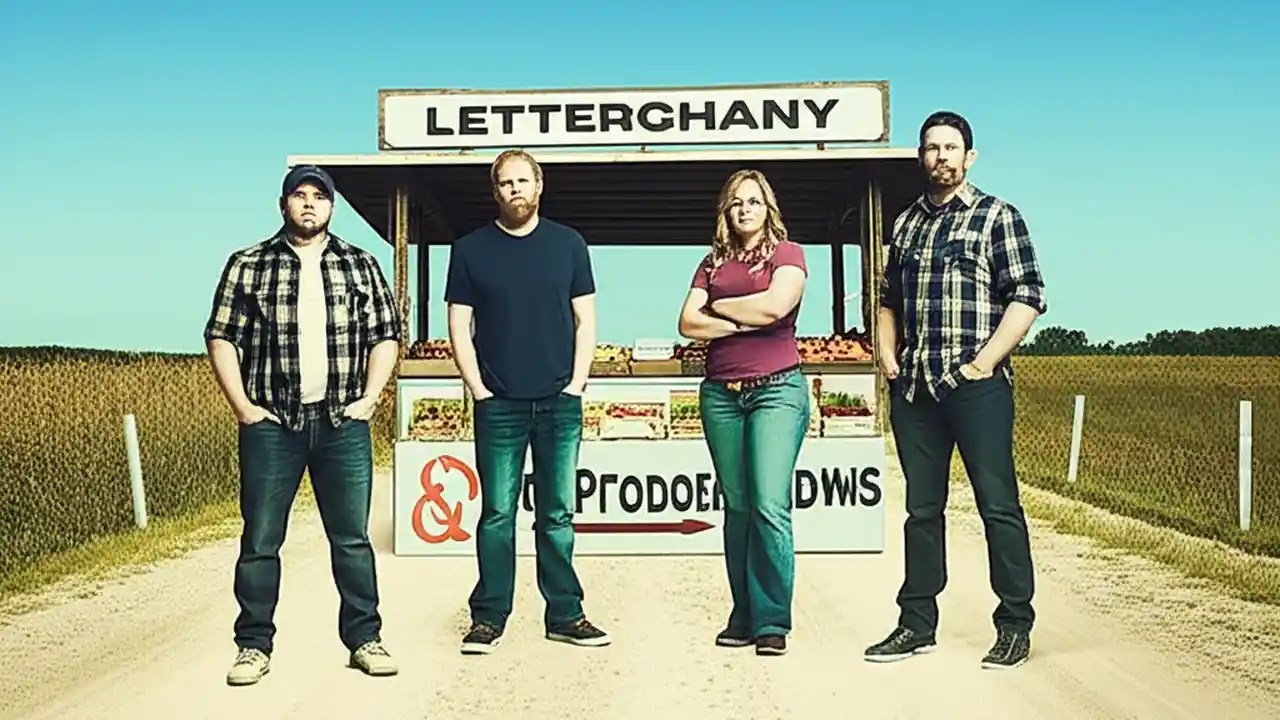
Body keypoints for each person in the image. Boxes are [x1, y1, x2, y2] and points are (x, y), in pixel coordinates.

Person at [204, 165, 402, 686]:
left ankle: (365, 639)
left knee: (352, 540)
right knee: (261, 540)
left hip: (342, 423)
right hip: (272, 424)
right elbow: (221, 336)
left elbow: (386, 335)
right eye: (300, 195)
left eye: (320, 196)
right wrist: (243, 407)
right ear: (283, 204)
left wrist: (371, 397)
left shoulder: (360, 264)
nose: (309, 204)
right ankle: (252, 645)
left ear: (332, 206)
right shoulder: (248, 265)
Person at [864, 111, 1047, 670]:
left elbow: (1028, 297)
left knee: (998, 506)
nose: (940, 156)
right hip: (916, 388)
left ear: (969, 156)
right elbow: (888, 299)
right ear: (921, 157)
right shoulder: (905, 224)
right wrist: (888, 358)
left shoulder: (996, 217)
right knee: (922, 511)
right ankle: (916, 623)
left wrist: (984, 364)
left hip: (976, 387)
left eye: (951, 147)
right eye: (931, 148)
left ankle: (1014, 623)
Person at [444, 149, 610, 655]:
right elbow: (458, 323)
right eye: (505, 182)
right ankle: (489, 617)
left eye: (523, 180)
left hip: (559, 403)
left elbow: (586, 319)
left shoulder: (569, 245)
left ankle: (565, 613)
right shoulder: (470, 249)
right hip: (500, 405)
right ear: (495, 192)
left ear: (540, 186)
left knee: (557, 514)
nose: (515, 189)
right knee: (497, 514)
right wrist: (479, 389)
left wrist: (577, 384)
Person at [676, 168, 810, 657]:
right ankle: (744, 613)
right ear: (726, 212)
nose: (745, 209)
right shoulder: (710, 262)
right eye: (736, 203)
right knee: (737, 507)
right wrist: (738, 316)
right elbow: (688, 321)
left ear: (767, 206)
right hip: (720, 395)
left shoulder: (788, 254)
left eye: (753, 201)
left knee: (769, 504)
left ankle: (772, 619)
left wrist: (720, 310)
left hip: (777, 390)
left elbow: (776, 308)